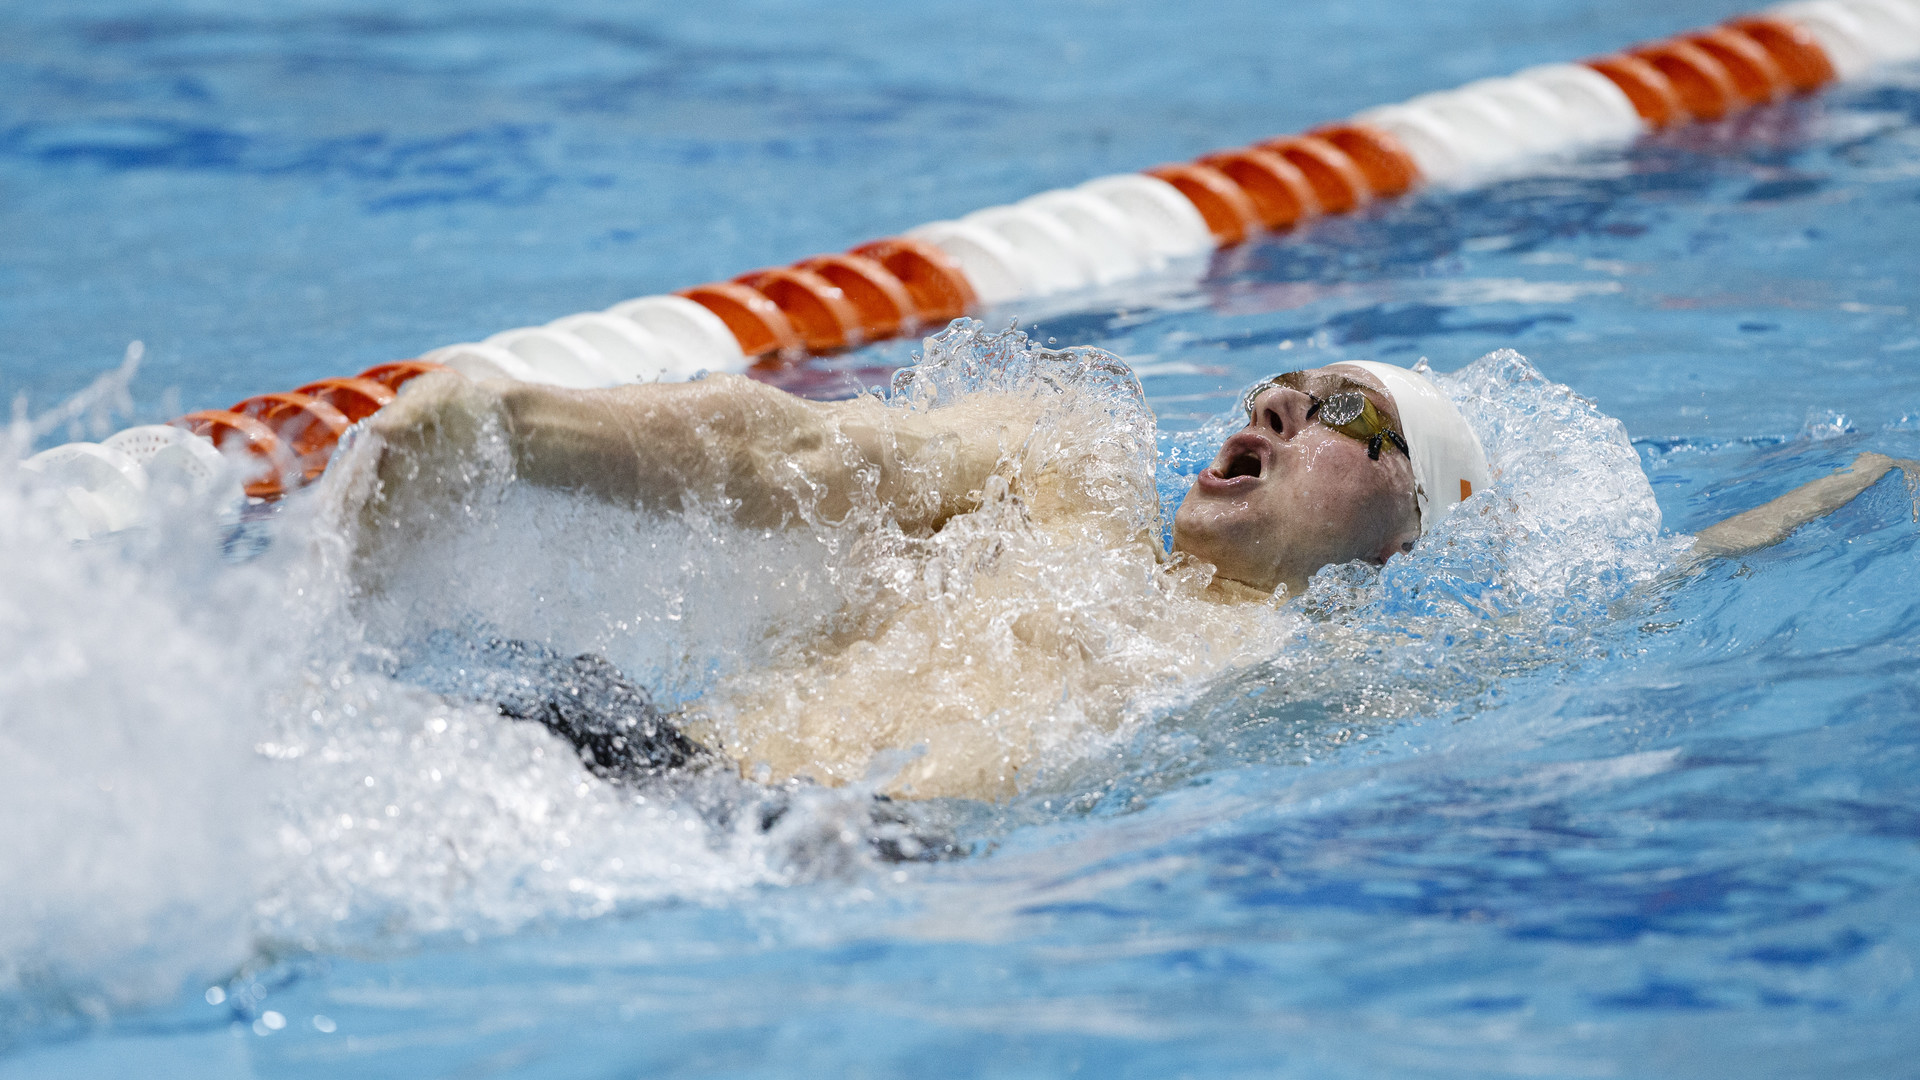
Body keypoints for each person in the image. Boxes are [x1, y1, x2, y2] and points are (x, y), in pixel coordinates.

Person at [335, 334, 1914, 799]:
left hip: (834, 867)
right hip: (621, 755)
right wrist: (523, 430)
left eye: (1341, 412)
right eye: (1275, 387)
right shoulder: (1050, 482)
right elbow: (794, 456)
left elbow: (1661, 576)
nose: (1274, 402)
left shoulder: (1356, 669)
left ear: (1407, 520)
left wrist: (1867, 481)